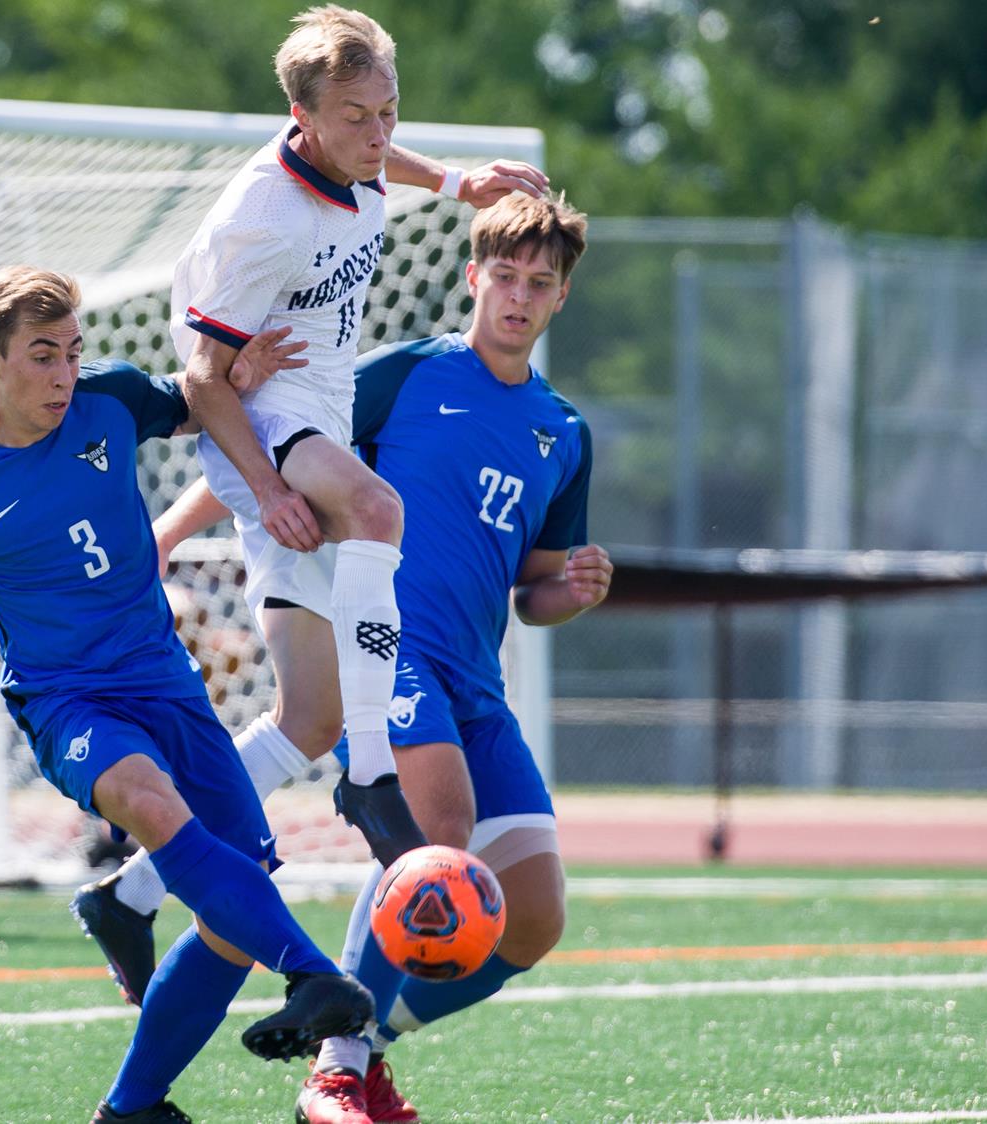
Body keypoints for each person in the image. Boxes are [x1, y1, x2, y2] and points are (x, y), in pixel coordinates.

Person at [72, 2, 551, 1004]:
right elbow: (204, 381)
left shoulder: (355, 153)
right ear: (300, 114)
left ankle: (131, 889)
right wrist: (264, 486)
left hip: (306, 413)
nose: (377, 135)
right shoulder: (258, 217)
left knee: (303, 716)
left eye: (388, 111)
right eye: (356, 117)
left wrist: (458, 182)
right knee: (378, 512)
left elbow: (385, 165)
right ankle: (372, 775)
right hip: (270, 416)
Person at [98, 192, 611, 1123]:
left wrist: (568, 593)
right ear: (472, 278)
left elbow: (533, 595)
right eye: (505, 275)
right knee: (436, 827)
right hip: (386, 645)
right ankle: (335, 1066)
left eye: (541, 283)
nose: (519, 296)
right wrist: (166, 533)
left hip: (475, 677)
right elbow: (282, 443)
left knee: (533, 917)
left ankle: (361, 1045)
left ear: (562, 298)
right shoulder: (408, 375)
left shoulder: (564, 433)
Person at [0, 266, 370, 1124]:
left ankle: (132, 1106)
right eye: (42, 356)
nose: (64, 374)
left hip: (164, 681)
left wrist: (241, 370)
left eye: (72, 352)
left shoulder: (108, 398)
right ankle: (314, 977)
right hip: (68, 702)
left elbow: (194, 398)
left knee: (237, 903)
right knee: (148, 802)